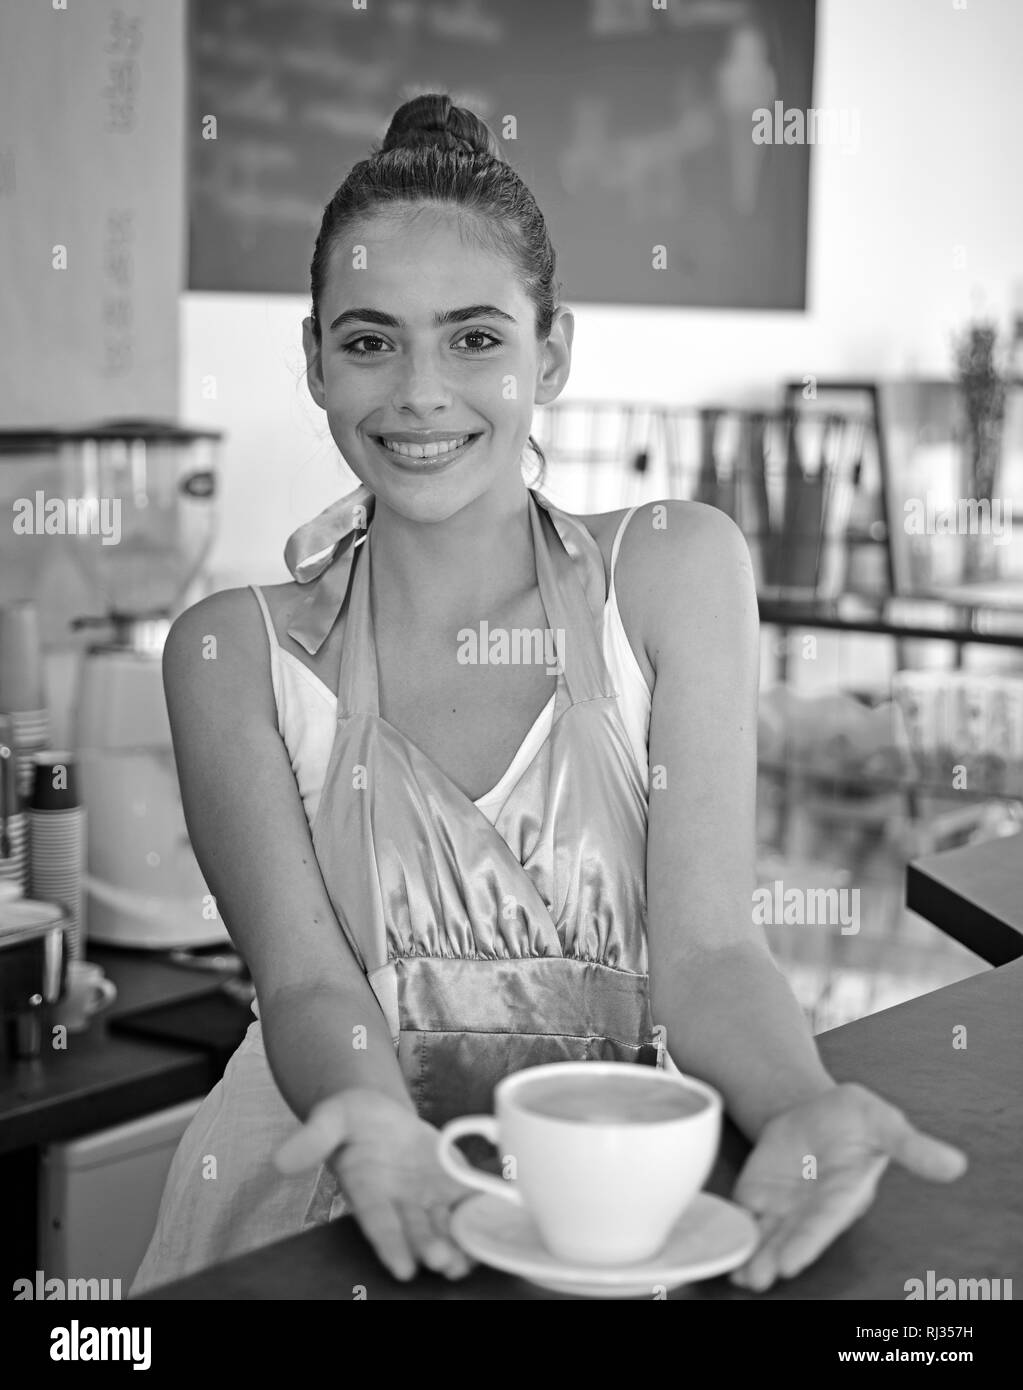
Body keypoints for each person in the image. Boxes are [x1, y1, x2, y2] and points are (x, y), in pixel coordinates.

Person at [130, 94, 966, 1296]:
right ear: (316, 361)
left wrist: (805, 1103)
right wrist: (382, 1132)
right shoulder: (228, 652)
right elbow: (307, 983)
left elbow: (711, 953)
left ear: (552, 353)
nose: (420, 393)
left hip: (605, 1197)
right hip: (325, 1192)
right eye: (370, 342)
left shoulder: (675, 572)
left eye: (475, 338)